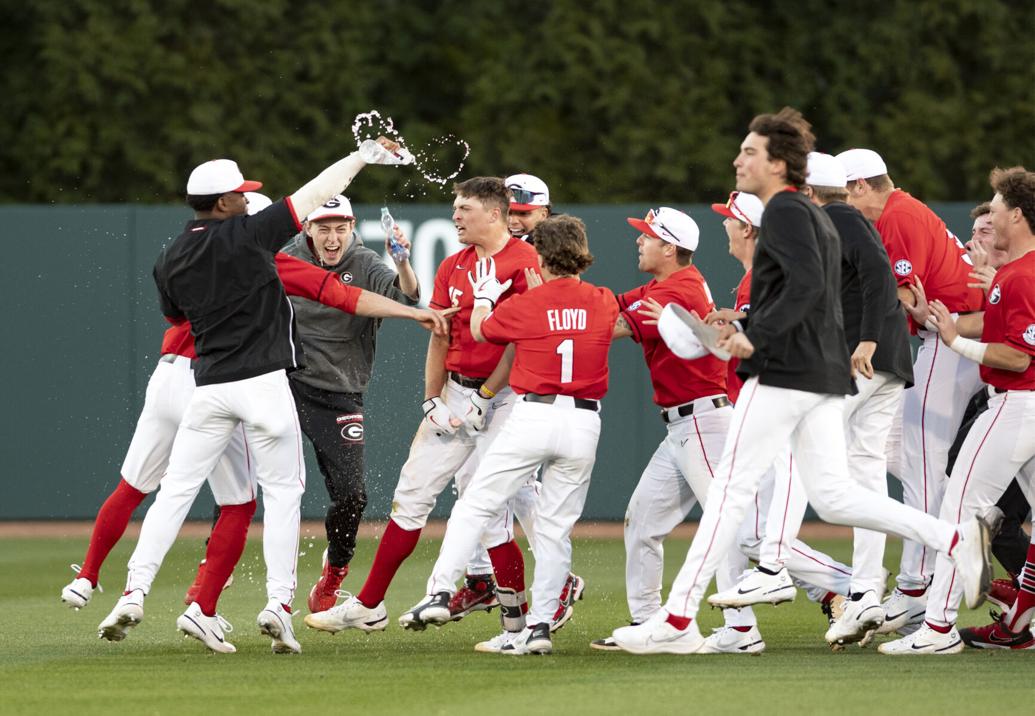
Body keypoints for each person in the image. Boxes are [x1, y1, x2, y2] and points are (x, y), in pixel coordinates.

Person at [610, 107, 991, 655]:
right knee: (835, 495)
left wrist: (755, 335)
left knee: (729, 492)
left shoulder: (788, 211)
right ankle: (953, 539)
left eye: (749, 152)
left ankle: (678, 620)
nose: (739, 159)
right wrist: (742, 321)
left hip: (786, 372)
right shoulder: (805, 213)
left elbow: (808, 288)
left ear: (778, 164)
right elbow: (812, 291)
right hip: (819, 372)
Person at [94, 140, 451, 654]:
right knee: (283, 494)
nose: (246, 200)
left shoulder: (171, 256)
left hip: (209, 388)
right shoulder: (250, 237)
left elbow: (176, 319)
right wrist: (358, 159)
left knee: (175, 492)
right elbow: (317, 199)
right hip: (264, 384)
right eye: (239, 194)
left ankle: (133, 592)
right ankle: (279, 605)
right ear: (221, 204)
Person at [303, 177, 540, 638]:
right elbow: (440, 333)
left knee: (492, 510)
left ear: (495, 213)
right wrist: (433, 397)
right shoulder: (455, 264)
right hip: (456, 390)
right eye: (455, 207)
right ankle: (369, 605)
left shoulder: (525, 263)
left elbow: (521, 343)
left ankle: (520, 622)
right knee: (411, 496)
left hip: (507, 398)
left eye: (464, 208)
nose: (456, 215)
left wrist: (487, 395)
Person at [396, 214, 618, 655]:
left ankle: (440, 590)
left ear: (542, 256)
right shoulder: (603, 299)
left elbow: (482, 329)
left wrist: (483, 296)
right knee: (553, 530)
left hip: (535, 415)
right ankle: (537, 629)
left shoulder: (528, 304)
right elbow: (588, 320)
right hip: (584, 422)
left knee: (476, 502)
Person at [731, 151, 914, 648]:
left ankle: (772, 565)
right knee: (866, 478)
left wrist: (868, 338)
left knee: (795, 449)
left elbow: (879, 273)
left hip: (864, 359)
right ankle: (866, 592)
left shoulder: (838, 217)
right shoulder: (837, 218)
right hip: (882, 361)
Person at [880, 166, 1035, 654]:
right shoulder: (1019, 274)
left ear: (1016, 214)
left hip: (1015, 406)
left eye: (994, 206)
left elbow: (1017, 356)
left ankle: (937, 628)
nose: (988, 212)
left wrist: (952, 342)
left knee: (959, 510)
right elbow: (994, 323)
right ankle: (1018, 619)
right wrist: (939, 319)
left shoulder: (1018, 277)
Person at [837, 147, 985, 635]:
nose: (842, 205)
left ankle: (916, 586)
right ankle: (968, 529)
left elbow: (901, 295)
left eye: (845, 193)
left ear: (861, 186)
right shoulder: (901, 210)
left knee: (922, 463)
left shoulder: (896, 216)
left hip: (953, 336)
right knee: (903, 455)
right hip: (946, 334)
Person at [448, 172, 585, 631]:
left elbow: (499, 329)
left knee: (503, 489)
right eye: (515, 211)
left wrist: (486, 392)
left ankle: (543, 584)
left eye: (527, 212)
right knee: (497, 488)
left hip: (533, 393)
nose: (520, 220)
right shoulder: (507, 254)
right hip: (518, 389)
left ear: (545, 214)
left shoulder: (546, 261)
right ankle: (488, 578)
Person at [280, 194, 423, 614]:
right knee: (248, 476)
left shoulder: (363, 262)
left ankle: (335, 569)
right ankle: (218, 567)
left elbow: (408, 295)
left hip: (339, 391)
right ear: (307, 228)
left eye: (340, 227)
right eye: (323, 227)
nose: (332, 236)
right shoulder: (285, 257)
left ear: (352, 227)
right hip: (283, 383)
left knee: (352, 494)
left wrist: (402, 262)